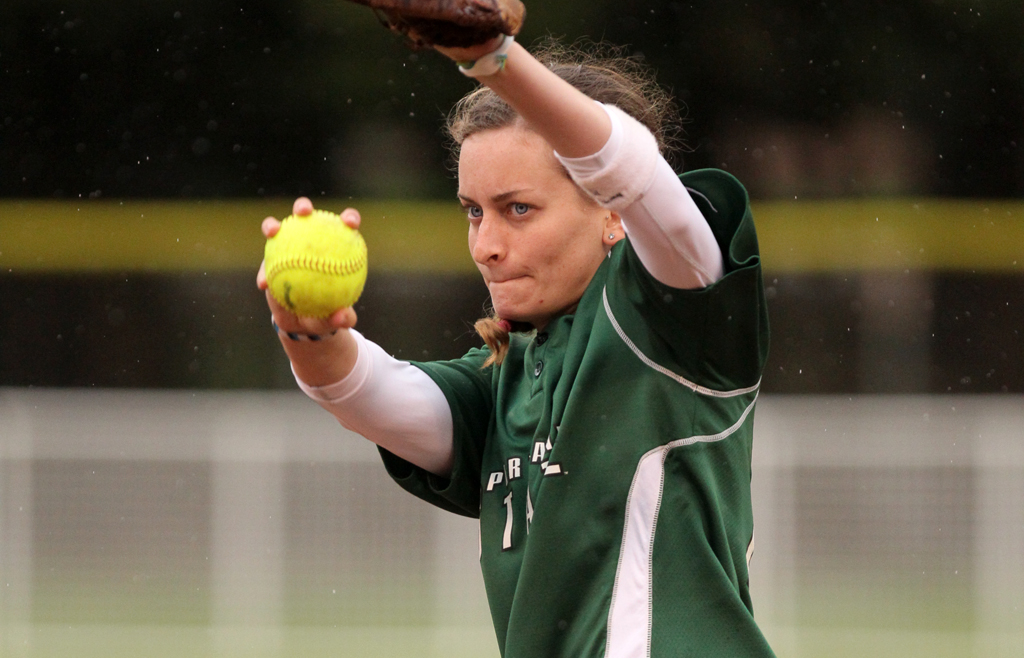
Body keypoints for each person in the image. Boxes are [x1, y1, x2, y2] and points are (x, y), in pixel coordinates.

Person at [258, 35, 773, 658]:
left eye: (519, 209)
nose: (485, 247)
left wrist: (495, 59)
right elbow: (365, 392)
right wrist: (308, 331)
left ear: (613, 213)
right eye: (474, 212)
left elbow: (634, 171)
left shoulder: (675, 321)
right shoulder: (505, 381)